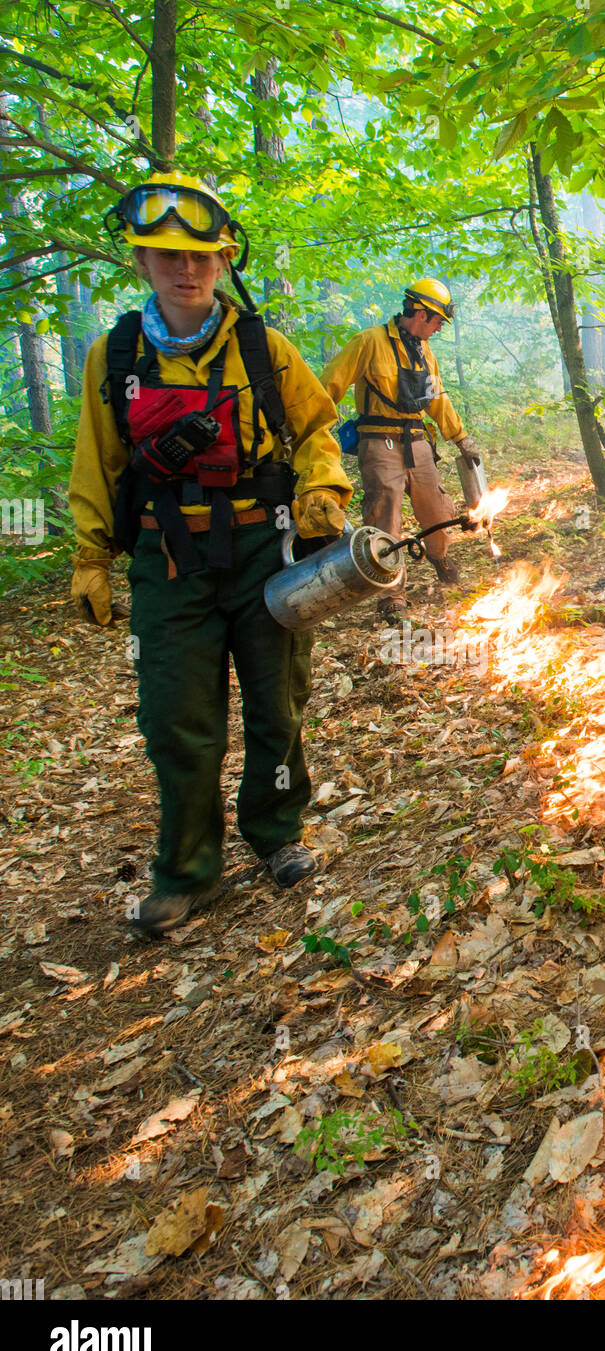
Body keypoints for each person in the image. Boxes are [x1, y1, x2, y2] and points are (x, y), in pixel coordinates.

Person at [69, 172, 352, 938]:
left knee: (277, 703)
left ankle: (276, 833)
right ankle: (187, 871)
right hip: (167, 560)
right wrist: (90, 556)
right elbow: (96, 461)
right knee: (177, 720)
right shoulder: (115, 355)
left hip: (264, 547)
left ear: (224, 261)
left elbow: (318, 434)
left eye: (199, 255)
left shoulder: (266, 348)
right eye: (166, 255)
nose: (184, 269)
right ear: (141, 261)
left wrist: (324, 493)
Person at [319, 277, 483, 622]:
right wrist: (310, 429)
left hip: (418, 443)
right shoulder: (369, 342)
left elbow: (438, 399)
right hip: (380, 443)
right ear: (420, 313)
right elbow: (329, 384)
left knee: (438, 509)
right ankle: (391, 594)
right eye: (438, 320)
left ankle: (440, 557)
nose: (439, 328)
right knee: (384, 519)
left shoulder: (425, 352)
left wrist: (460, 437)